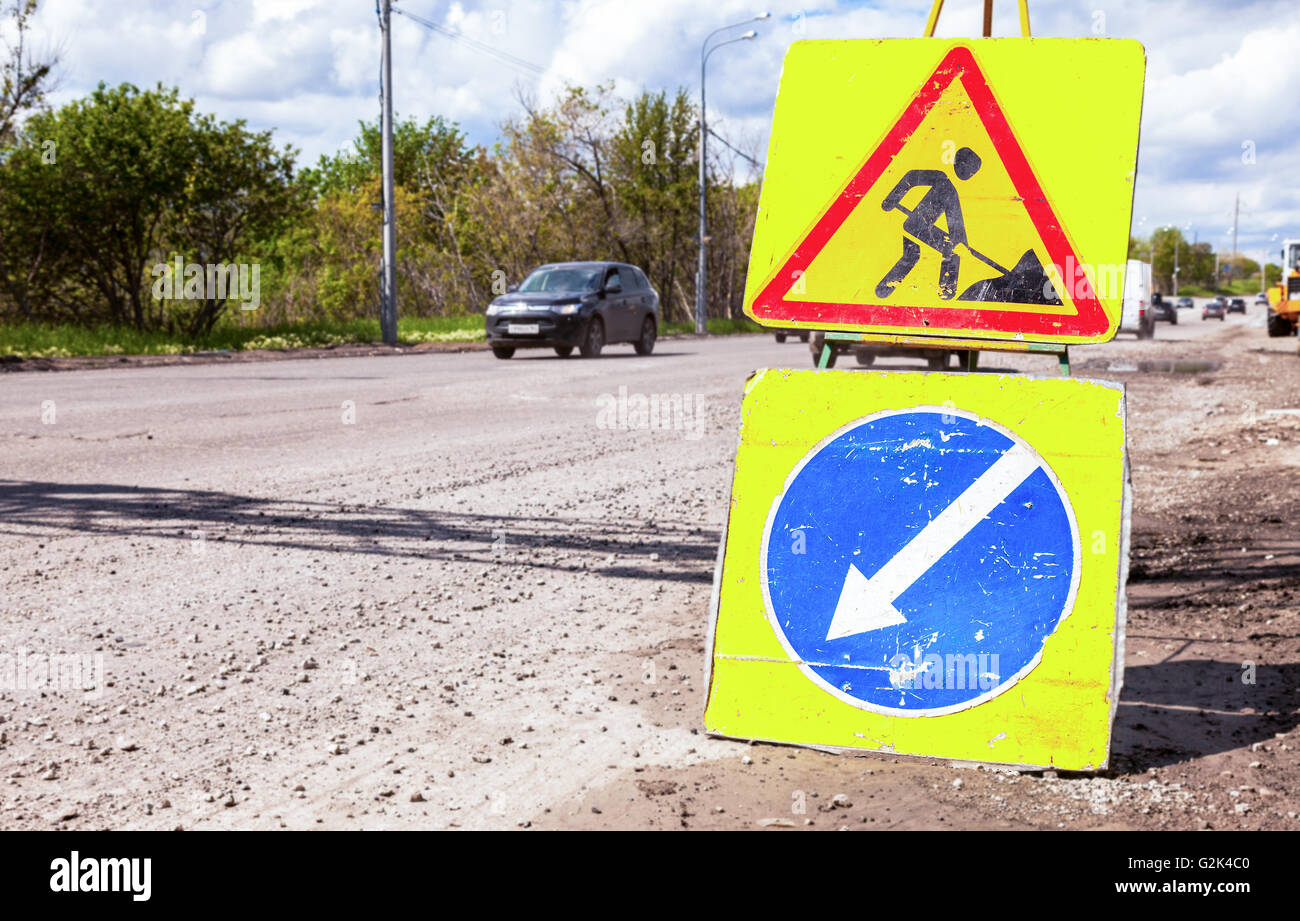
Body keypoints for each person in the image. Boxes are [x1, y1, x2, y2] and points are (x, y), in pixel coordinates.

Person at [875, 146, 982, 300]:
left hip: (920, 226)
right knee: (919, 254)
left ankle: (885, 288)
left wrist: (961, 241)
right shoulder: (942, 179)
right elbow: (911, 177)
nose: (971, 175)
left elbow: (954, 218)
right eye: (970, 170)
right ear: (961, 164)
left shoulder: (951, 189)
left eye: (973, 172)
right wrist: (892, 199)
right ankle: (885, 288)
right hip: (916, 224)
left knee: (915, 254)